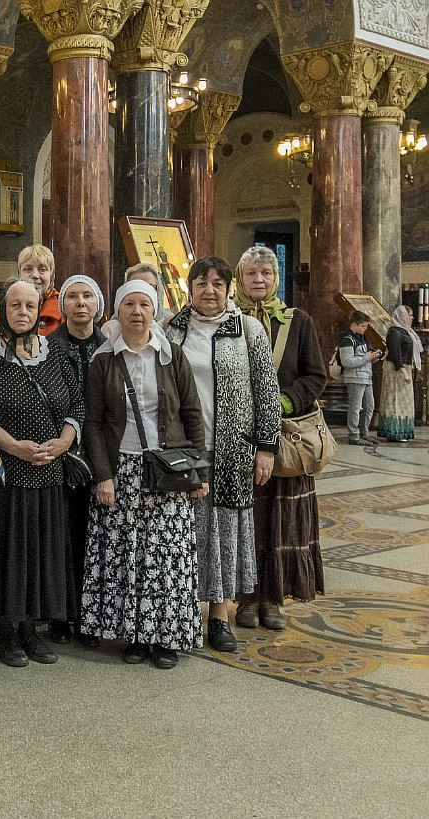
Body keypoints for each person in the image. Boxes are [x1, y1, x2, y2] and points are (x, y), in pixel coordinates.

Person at [81, 281, 207, 669]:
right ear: (117, 312)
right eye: (129, 304)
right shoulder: (103, 360)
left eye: (145, 305)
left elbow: (191, 413)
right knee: (126, 556)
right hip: (123, 469)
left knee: (164, 558)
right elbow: (93, 424)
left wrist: (199, 470)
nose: (137, 311)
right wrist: (103, 475)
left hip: (167, 470)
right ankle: (134, 635)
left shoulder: (172, 357)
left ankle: (164, 638)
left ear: (156, 312)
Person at [165, 256, 281, 653]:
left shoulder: (248, 330)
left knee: (225, 534)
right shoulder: (172, 329)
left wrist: (265, 448)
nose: (209, 290)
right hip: (183, 450)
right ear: (190, 288)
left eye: (218, 283)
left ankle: (219, 617)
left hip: (233, 449)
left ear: (230, 289)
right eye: (201, 283)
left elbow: (266, 394)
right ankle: (180, 612)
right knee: (184, 532)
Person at [0, 280, 83, 667]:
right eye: (15, 305)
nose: (23, 312)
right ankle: (5, 633)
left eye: (30, 305)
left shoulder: (56, 353)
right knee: (8, 553)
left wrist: (63, 442)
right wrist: (14, 446)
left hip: (49, 472)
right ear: (2, 310)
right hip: (6, 472)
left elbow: (77, 405)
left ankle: (31, 631)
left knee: (40, 553)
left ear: (40, 311)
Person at [233, 246, 327, 631]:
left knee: (281, 522)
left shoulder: (297, 320)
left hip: (285, 441)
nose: (259, 280)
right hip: (238, 437)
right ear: (240, 278)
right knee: (246, 521)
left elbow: (315, 374)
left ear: (276, 279)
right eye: (252, 274)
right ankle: (245, 599)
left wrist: (282, 401)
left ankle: (273, 600)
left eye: (266, 274)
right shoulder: (227, 318)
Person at [45, 274, 106, 648]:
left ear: (98, 304)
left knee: (95, 538)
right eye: (73, 297)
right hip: (61, 451)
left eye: (88, 296)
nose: (80, 303)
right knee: (62, 536)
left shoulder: (110, 346)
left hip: (100, 452)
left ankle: (91, 614)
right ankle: (60, 613)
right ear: (62, 304)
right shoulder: (49, 346)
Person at [378, 305, 422, 442]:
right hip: (396, 370)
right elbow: (395, 353)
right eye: (410, 315)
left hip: (404, 368)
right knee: (395, 399)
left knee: (404, 402)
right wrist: (403, 371)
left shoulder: (405, 331)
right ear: (403, 316)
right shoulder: (394, 332)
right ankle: (394, 431)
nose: (412, 317)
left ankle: (402, 431)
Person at [338, 310, 382, 445]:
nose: (365, 328)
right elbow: (347, 361)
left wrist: (373, 357)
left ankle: (364, 433)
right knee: (356, 407)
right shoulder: (347, 339)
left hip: (366, 376)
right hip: (354, 377)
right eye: (363, 326)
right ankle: (354, 435)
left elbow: (362, 358)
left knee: (369, 406)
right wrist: (368, 357)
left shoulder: (361, 338)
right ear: (354, 324)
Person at [17, 244, 62, 335]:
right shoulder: (4, 309)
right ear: (19, 274)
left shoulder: (64, 308)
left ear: (52, 275)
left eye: (42, 269)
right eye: (28, 269)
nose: (35, 275)